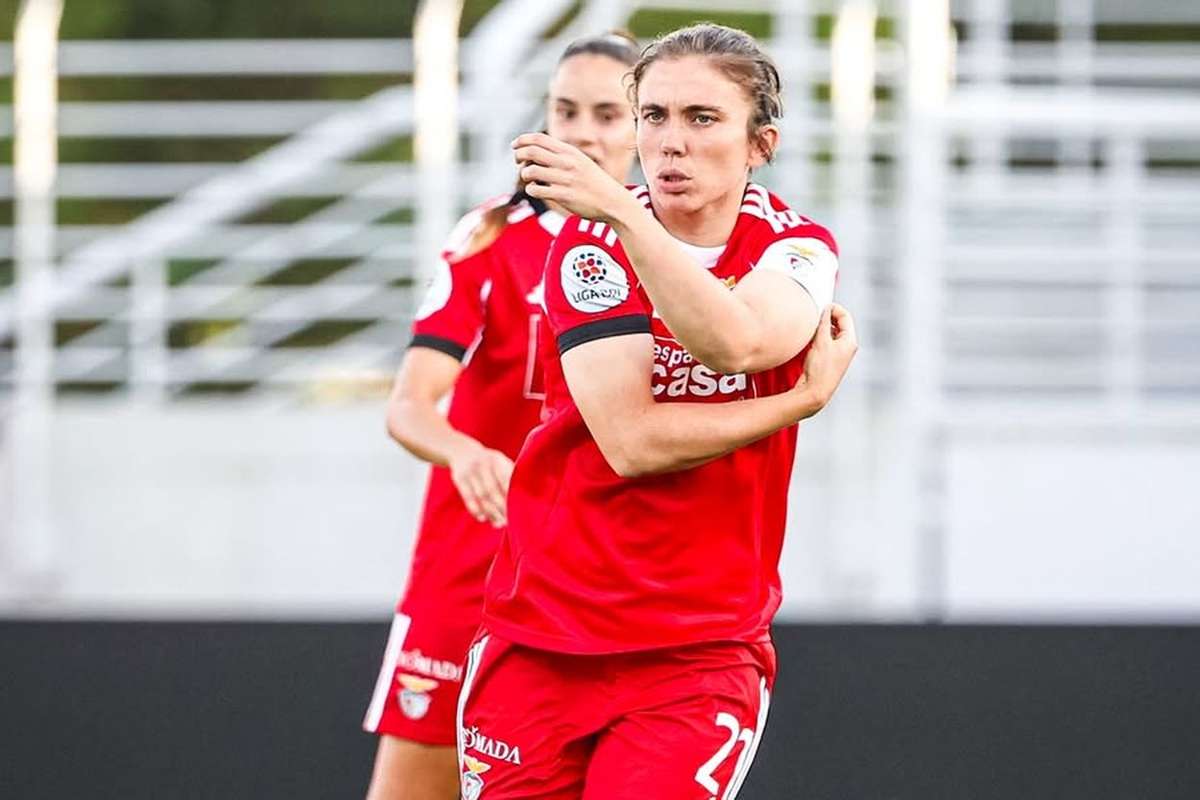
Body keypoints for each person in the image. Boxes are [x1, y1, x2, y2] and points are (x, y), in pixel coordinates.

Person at [456, 23, 859, 800]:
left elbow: (737, 344)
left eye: (703, 119)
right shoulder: (586, 241)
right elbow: (633, 441)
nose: (670, 142)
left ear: (760, 145)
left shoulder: (797, 249)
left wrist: (630, 218)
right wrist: (803, 400)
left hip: (696, 655)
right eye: (654, 116)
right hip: (539, 636)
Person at [361, 32, 642, 800]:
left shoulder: (669, 254)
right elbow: (410, 404)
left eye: (608, 114)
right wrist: (464, 453)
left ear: (645, 126)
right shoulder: (493, 236)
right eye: (565, 110)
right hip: (474, 573)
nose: (582, 132)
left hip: (605, 586)